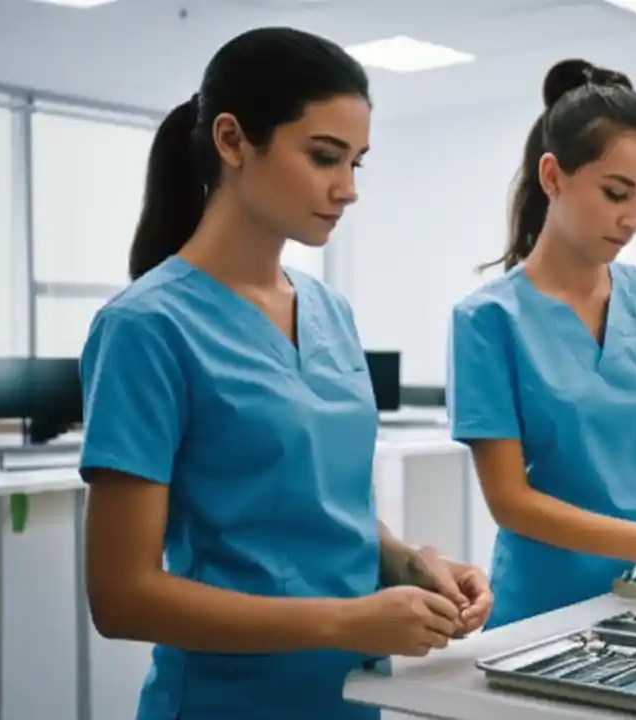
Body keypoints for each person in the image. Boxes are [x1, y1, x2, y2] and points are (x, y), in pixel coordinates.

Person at [79, 27, 491, 720]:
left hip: (353, 696)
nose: (348, 189)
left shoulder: (330, 310)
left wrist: (407, 562)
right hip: (226, 703)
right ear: (234, 141)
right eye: (326, 157)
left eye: (358, 163)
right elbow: (122, 598)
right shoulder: (146, 328)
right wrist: (344, 622)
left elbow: (316, 510)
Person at [446, 58, 636, 630]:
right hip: (543, 609)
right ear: (553, 176)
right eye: (616, 193)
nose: (633, 219)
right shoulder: (488, 320)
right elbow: (510, 500)